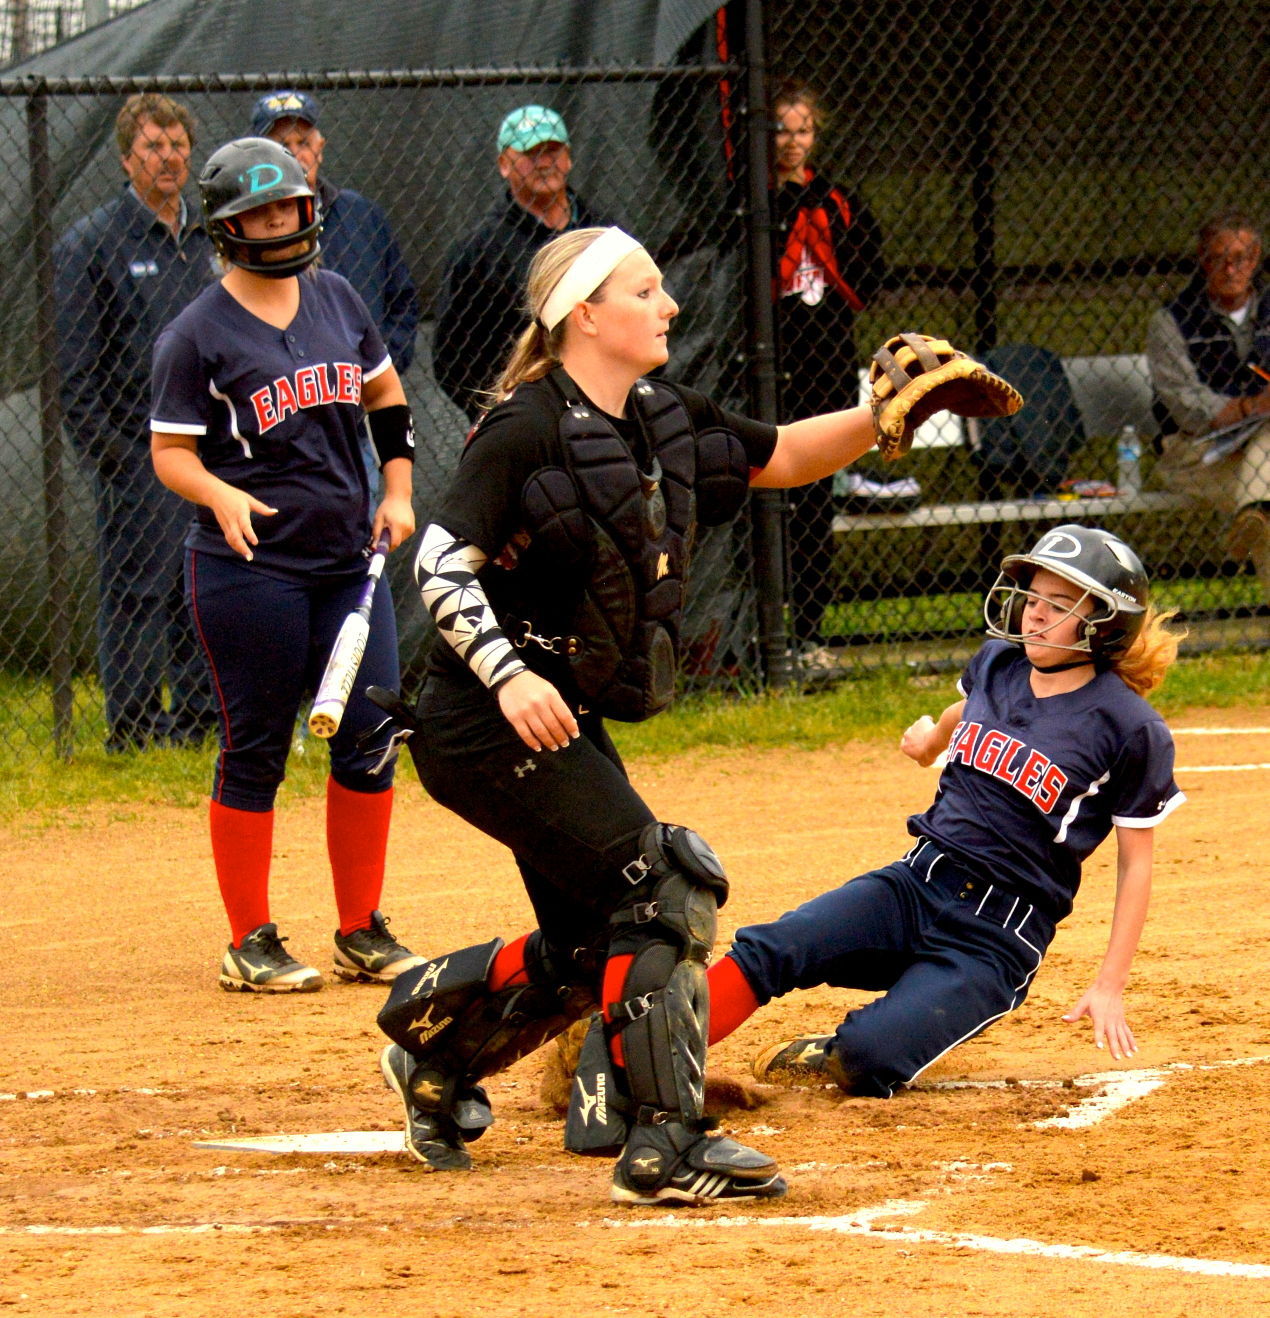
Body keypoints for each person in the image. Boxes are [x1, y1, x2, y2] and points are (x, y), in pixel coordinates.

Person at [373, 226, 973, 1207]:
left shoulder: (656, 415)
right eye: (645, 291)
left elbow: (777, 457)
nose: (669, 306)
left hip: (555, 716)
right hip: (482, 721)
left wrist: (878, 415)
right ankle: (664, 1143)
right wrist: (505, 674)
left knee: (589, 944)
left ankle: (433, 1057)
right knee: (664, 881)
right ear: (585, 316)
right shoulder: (523, 425)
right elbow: (440, 562)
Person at [691, 525, 1184, 1097]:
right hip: (911, 886)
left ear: (1105, 622)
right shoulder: (999, 664)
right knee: (773, 949)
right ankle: (638, 1052)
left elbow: (1136, 864)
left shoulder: (1129, 727)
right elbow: (966, 706)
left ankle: (848, 1045)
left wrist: (1110, 983)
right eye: (1033, 598)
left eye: (1059, 604)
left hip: (995, 937)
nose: (1034, 614)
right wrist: (931, 742)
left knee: (867, 1060)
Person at [149, 137, 423, 994]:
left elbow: (386, 397)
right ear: (226, 228)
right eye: (256, 214)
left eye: (287, 207)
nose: (276, 224)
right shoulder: (195, 335)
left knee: (372, 739)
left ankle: (360, 929)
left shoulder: (339, 299)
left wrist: (399, 489)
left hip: (352, 562)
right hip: (250, 571)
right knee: (256, 746)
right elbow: (169, 452)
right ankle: (249, 938)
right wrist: (217, 493)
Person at [54, 92, 217, 752]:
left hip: (211, 451)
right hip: (139, 451)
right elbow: (75, 374)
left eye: (178, 144)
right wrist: (119, 456)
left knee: (203, 583)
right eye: (154, 146)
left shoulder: (211, 239)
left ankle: (203, 718)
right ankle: (137, 724)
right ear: (126, 159)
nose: (169, 158)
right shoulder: (91, 243)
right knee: (138, 592)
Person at [767, 82, 887, 664]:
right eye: (781, 131)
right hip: (773, 367)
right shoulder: (756, 201)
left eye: (803, 130)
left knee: (816, 498)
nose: (792, 143)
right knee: (771, 493)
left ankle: (810, 629)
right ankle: (769, 628)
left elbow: (870, 269)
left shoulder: (837, 201)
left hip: (827, 359)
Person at [431, 104, 612, 421]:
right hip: (529, 419)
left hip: (607, 408)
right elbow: (451, 357)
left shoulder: (607, 235)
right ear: (504, 164)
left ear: (568, 158)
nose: (544, 163)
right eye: (531, 154)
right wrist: (502, 413)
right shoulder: (479, 252)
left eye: (552, 151)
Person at [248, 90, 419, 376]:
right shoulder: (247, 226)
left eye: (303, 142)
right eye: (281, 144)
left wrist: (380, 365)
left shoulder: (362, 213)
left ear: (320, 147)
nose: (294, 154)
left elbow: (402, 297)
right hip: (286, 395)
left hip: (363, 389)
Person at [1147, 210, 1270, 601]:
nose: (1230, 269)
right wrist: (1251, 406)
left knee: (1267, 512)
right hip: (1194, 453)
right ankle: (1258, 507)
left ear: (1255, 259)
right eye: (1219, 258)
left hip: (1258, 455)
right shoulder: (1171, 321)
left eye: (1240, 257)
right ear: (1203, 260)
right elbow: (1187, 406)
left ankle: (1257, 511)